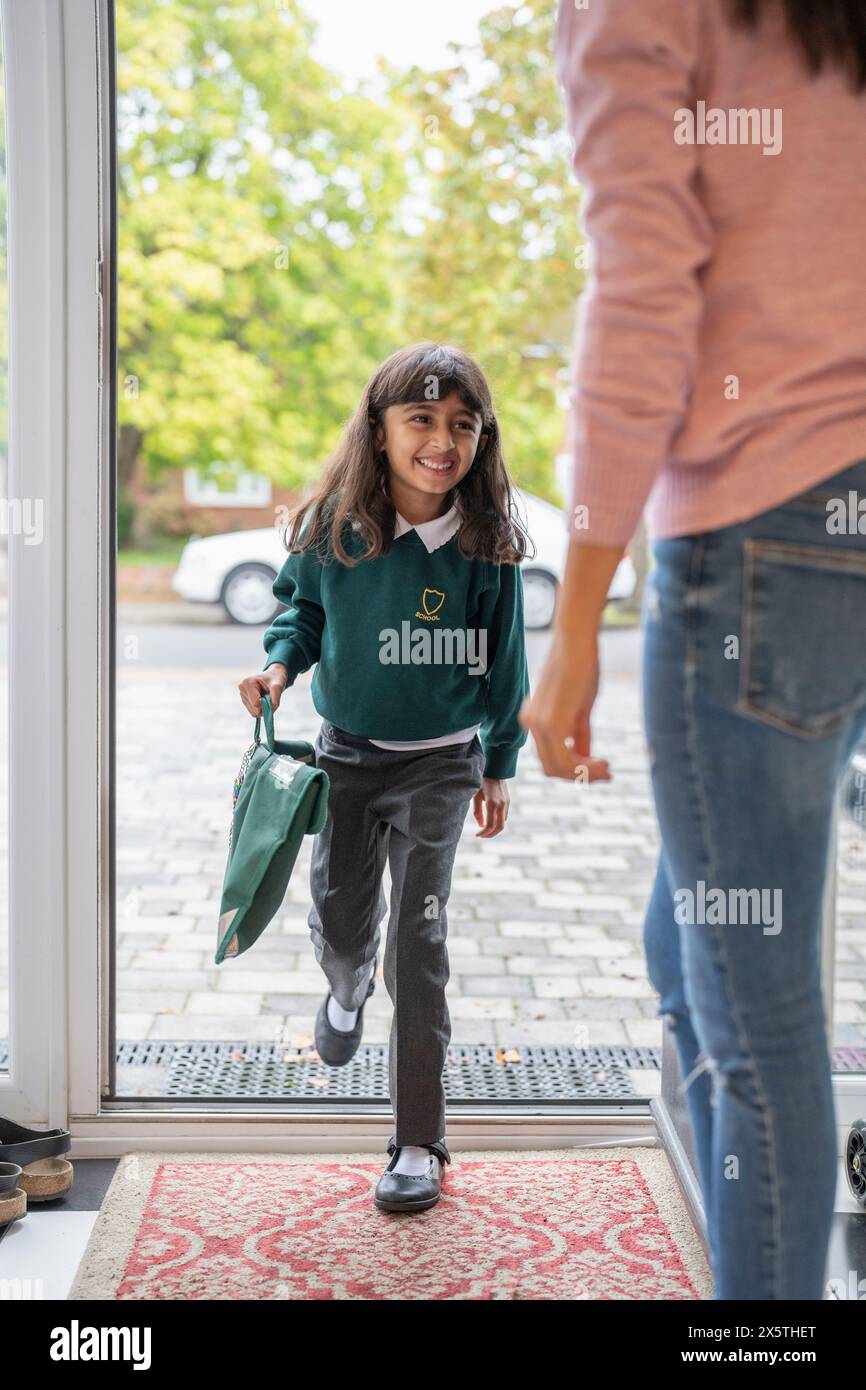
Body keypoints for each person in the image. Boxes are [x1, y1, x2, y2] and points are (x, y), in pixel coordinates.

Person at [519, 0, 866, 1299]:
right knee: (693, 934)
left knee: (758, 1041)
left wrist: (574, 623)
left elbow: (642, 305)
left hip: (771, 537)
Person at [238, 341, 534, 1213]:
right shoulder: (337, 525)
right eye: (421, 421)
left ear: (481, 439)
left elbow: (505, 665)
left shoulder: (486, 548)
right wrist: (279, 669)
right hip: (348, 758)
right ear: (379, 429)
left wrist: (500, 764)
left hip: (444, 766)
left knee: (421, 943)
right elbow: (302, 612)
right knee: (339, 913)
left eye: (461, 425)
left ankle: (417, 1140)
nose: (441, 441)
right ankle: (344, 982)